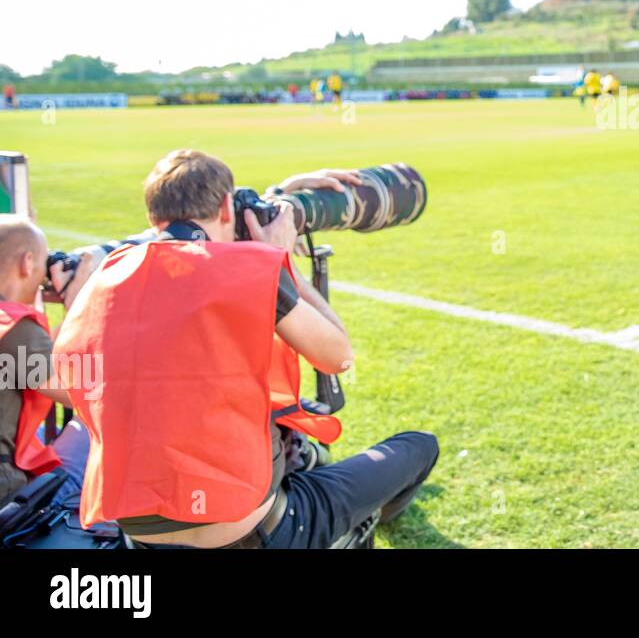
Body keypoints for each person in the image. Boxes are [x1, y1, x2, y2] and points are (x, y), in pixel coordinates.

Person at [53, 150, 439, 548]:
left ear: (152, 220)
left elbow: (65, 384)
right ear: (226, 207)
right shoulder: (246, 269)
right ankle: (364, 523)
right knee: (418, 446)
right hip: (256, 534)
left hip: (143, 541)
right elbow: (337, 356)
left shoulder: (103, 281)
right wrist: (281, 262)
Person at [0, 216, 96, 510]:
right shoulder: (14, 327)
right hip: (7, 497)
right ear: (27, 263)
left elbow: (31, 359)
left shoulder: (14, 331)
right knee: (94, 425)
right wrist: (80, 304)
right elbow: (84, 389)